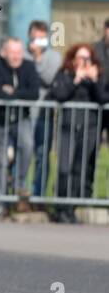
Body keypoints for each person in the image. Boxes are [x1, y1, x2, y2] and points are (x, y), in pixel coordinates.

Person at [48, 45, 109, 221]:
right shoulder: (65, 74)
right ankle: (60, 207)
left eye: (87, 58)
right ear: (73, 59)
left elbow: (103, 98)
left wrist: (95, 80)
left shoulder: (97, 76)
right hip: (68, 126)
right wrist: (75, 79)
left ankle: (70, 209)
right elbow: (58, 94)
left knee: (78, 169)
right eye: (80, 58)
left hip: (89, 127)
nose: (83, 62)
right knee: (64, 168)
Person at [0, 37, 41, 203]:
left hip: (21, 118)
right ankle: (2, 198)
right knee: (1, 158)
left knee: (27, 146)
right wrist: (15, 93)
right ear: (4, 53)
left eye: (19, 52)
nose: (16, 56)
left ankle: (19, 184)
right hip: (0, 119)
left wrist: (12, 92)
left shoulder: (29, 66)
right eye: (12, 52)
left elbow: (34, 93)